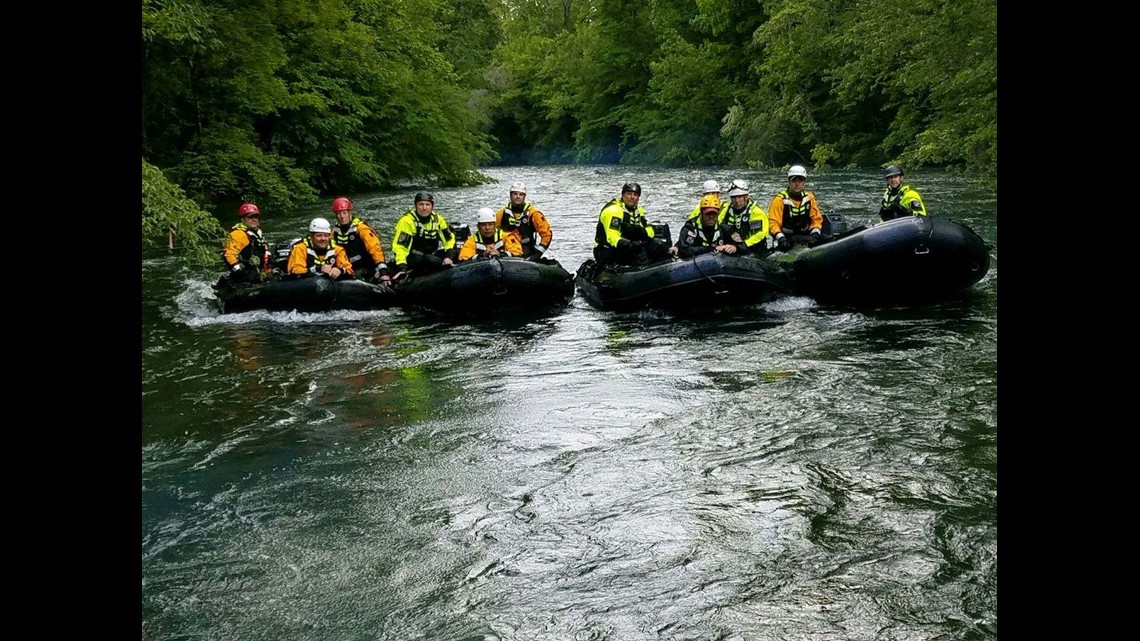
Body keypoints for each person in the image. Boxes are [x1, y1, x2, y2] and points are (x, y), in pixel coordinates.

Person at [593, 182, 677, 269]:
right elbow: (612, 238)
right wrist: (629, 244)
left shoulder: (637, 210)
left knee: (658, 246)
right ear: (622, 195)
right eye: (628, 194)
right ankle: (644, 274)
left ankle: (668, 268)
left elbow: (644, 230)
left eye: (635, 195)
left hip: (629, 246)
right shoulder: (614, 211)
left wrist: (648, 233)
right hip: (606, 250)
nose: (632, 197)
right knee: (637, 250)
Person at [390, 192, 457, 278]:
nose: (424, 208)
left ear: (432, 206)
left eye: (427, 205)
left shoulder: (438, 220)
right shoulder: (407, 221)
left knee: (453, 252)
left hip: (431, 254)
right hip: (412, 258)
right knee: (430, 260)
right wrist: (402, 268)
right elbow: (400, 248)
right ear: (415, 206)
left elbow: (449, 240)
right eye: (421, 204)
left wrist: (449, 257)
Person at [330, 197, 391, 285]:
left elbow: (375, 249)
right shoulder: (335, 233)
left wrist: (383, 272)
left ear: (350, 213)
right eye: (339, 214)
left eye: (344, 213)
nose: (342, 217)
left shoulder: (362, 229)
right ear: (336, 215)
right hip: (348, 269)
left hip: (367, 268)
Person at [768, 165, 824, 250]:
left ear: (804, 182)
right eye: (794, 180)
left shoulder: (809, 197)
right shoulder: (779, 200)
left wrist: (815, 233)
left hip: (806, 235)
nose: (797, 184)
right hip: (787, 238)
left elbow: (816, 219)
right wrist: (781, 238)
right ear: (789, 182)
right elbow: (773, 223)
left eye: (800, 180)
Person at [494, 181, 553, 259]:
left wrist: (537, 254)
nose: (518, 197)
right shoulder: (502, 213)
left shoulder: (533, 214)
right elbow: (490, 232)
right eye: (515, 194)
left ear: (524, 197)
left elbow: (547, 234)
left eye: (521, 194)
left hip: (527, 256)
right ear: (510, 195)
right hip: (506, 255)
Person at [674, 195, 742, 259]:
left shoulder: (724, 229)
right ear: (701, 213)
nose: (711, 217)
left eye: (714, 214)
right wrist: (712, 249)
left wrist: (735, 248)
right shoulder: (691, 228)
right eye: (708, 214)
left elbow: (743, 246)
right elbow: (684, 251)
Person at [286, 217, 354, 280]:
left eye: (326, 235)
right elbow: (295, 271)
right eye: (319, 235)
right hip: (307, 284)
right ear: (311, 236)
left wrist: (340, 270)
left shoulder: (338, 250)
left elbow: (349, 270)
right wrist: (318, 269)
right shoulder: (300, 248)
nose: (323, 239)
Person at [221, 202, 271, 284]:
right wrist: (239, 272)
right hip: (246, 273)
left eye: (256, 217)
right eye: (250, 217)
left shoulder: (257, 232)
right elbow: (228, 254)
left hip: (258, 270)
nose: (254, 219)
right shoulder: (238, 234)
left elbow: (264, 249)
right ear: (243, 219)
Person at [721, 179, 771, 256]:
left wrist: (739, 246)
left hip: (752, 249)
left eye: (739, 197)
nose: (737, 201)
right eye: (734, 197)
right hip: (731, 248)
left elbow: (759, 235)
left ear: (746, 197)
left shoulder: (755, 213)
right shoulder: (726, 210)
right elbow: (717, 224)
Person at [459, 208, 523, 261]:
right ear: (478, 227)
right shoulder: (472, 240)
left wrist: (500, 254)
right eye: (483, 225)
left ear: (495, 225)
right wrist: (482, 255)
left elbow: (518, 254)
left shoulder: (506, 237)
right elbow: (463, 259)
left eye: (490, 224)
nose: (487, 228)